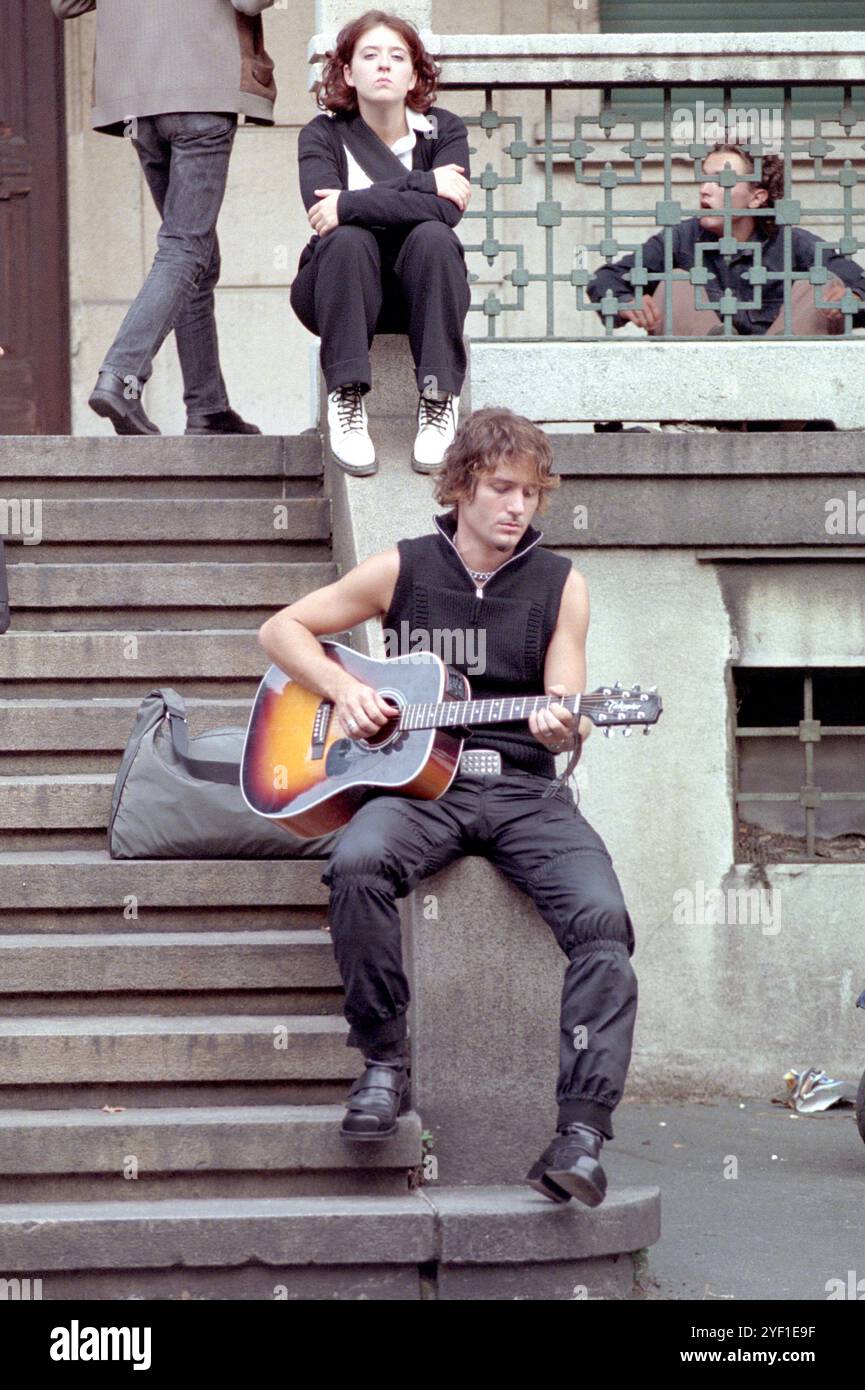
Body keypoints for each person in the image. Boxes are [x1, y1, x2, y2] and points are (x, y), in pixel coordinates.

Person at [258, 406, 639, 1207]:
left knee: (603, 920)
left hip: (525, 789)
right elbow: (283, 629)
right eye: (502, 488)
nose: (517, 507)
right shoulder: (404, 567)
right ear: (462, 484)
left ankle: (580, 1131)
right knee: (357, 863)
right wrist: (347, 690)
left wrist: (559, 714)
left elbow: (564, 688)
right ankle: (384, 1065)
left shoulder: (561, 583)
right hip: (418, 784)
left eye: (531, 494)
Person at [52, 0, 276, 436]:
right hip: (201, 88)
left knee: (196, 255)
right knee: (185, 248)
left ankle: (207, 406)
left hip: (136, 101)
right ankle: (122, 374)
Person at [290, 9, 473, 477]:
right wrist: (424, 185)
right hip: (339, 289)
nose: (384, 65)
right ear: (349, 72)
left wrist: (351, 203)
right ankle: (346, 397)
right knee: (348, 239)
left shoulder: (444, 130)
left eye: (397, 56)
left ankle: (437, 398)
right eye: (369, 55)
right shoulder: (322, 134)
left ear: (414, 72)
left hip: (421, 291)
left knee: (434, 237)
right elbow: (322, 214)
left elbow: (447, 212)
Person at [587, 143, 865, 431]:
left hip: (782, 400)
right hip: (709, 402)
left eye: (721, 181)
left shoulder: (793, 242)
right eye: (704, 178)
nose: (705, 189)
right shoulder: (682, 238)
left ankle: (770, 411)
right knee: (675, 283)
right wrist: (622, 300)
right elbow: (606, 278)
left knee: (819, 283)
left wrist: (851, 298)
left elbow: (859, 281)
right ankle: (709, 418)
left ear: (756, 198)